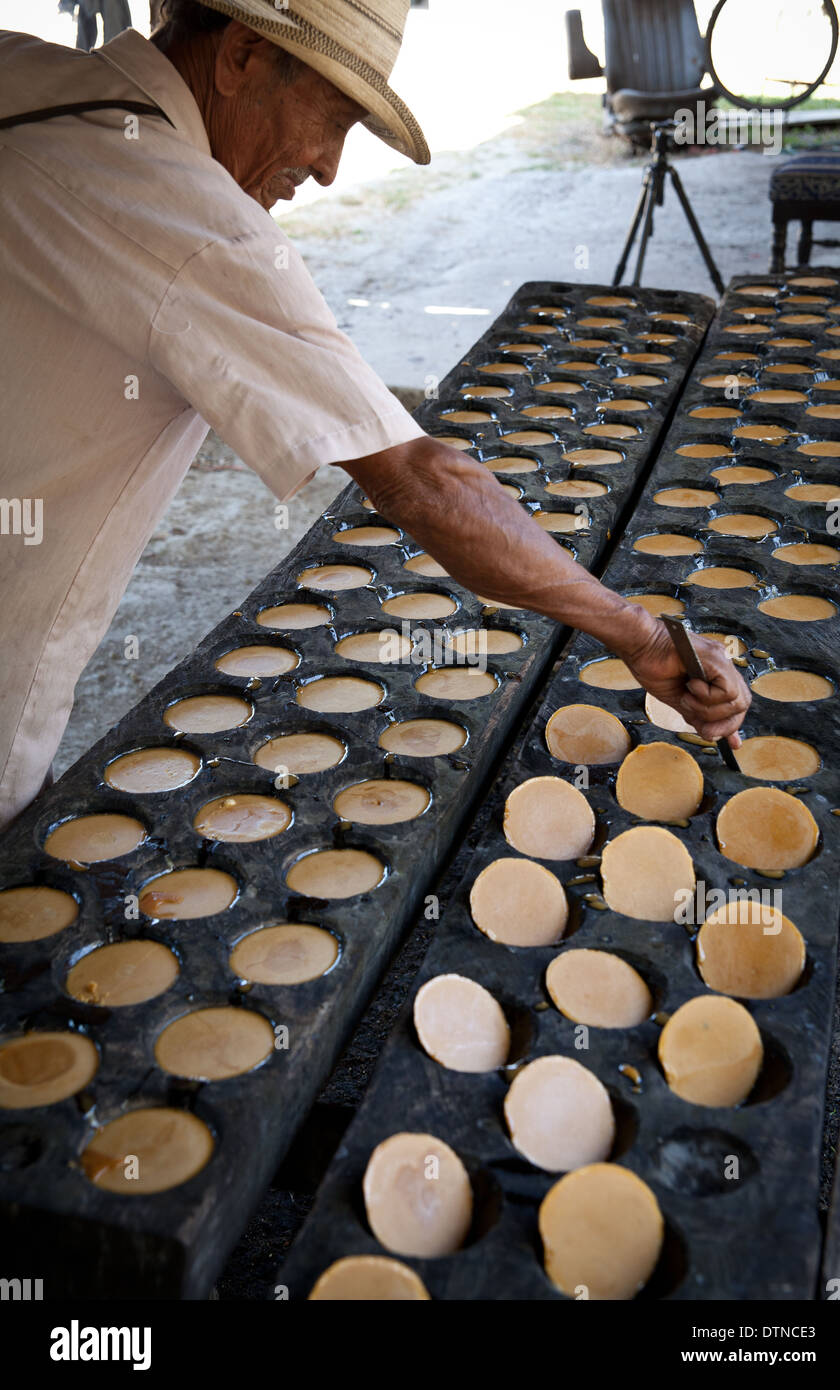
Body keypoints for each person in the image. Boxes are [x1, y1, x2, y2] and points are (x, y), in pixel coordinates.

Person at [0, 0, 749, 831]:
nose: (326, 167)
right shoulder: (189, 224)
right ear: (242, 54)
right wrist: (642, 637)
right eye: (336, 118)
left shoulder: (24, 73)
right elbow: (420, 480)